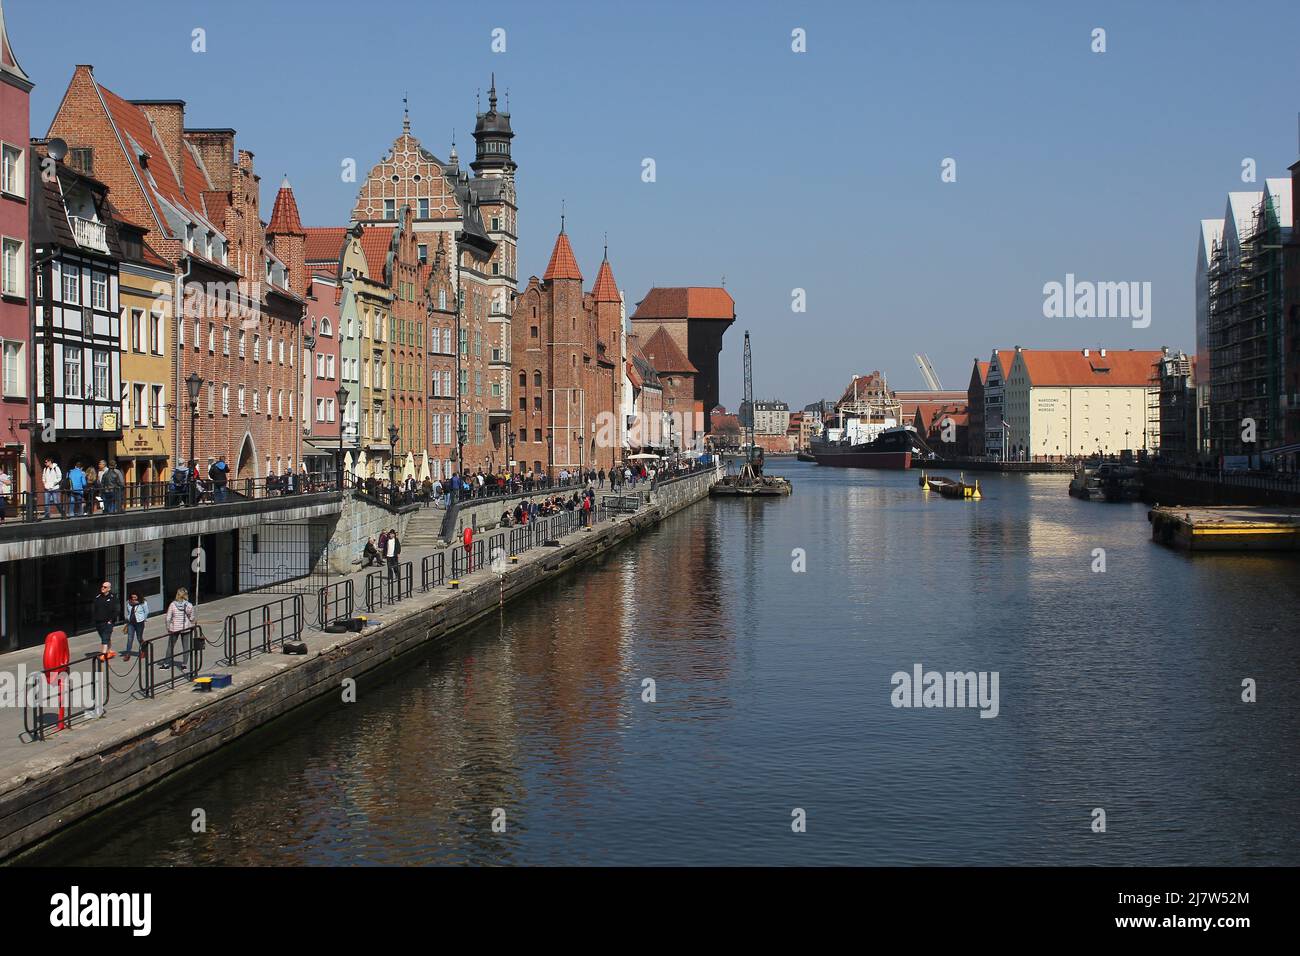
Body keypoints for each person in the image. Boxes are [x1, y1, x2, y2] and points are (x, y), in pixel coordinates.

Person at [163, 588, 196, 671]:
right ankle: (184, 665)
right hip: (186, 627)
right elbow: (192, 617)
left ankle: (166, 664)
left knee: (170, 646)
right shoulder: (189, 605)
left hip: (175, 628)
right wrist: (192, 621)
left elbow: (168, 618)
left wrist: (168, 627)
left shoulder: (172, 604)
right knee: (186, 647)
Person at [92, 580, 117, 659]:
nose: (102, 588)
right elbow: (94, 608)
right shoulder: (98, 596)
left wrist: (111, 620)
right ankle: (109, 650)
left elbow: (116, 610)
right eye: (102, 586)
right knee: (105, 637)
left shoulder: (112, 597)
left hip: (108, 622)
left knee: (104, 638)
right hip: (99, 622)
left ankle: (103, 654)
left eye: (105, 587)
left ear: (109, 589)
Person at [122, 591, 148, 660]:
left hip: (139, 622)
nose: (133, 598)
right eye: (132, 597)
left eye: (135, 597)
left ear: (138, 597)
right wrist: (128, 618)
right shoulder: (129, 603)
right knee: (130, 639)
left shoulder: (143, 603)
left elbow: (146, 612)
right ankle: (128, 654)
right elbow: (129, 612)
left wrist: (144, 619)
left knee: (139, 638)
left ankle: (143, 650)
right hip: (131, 623)